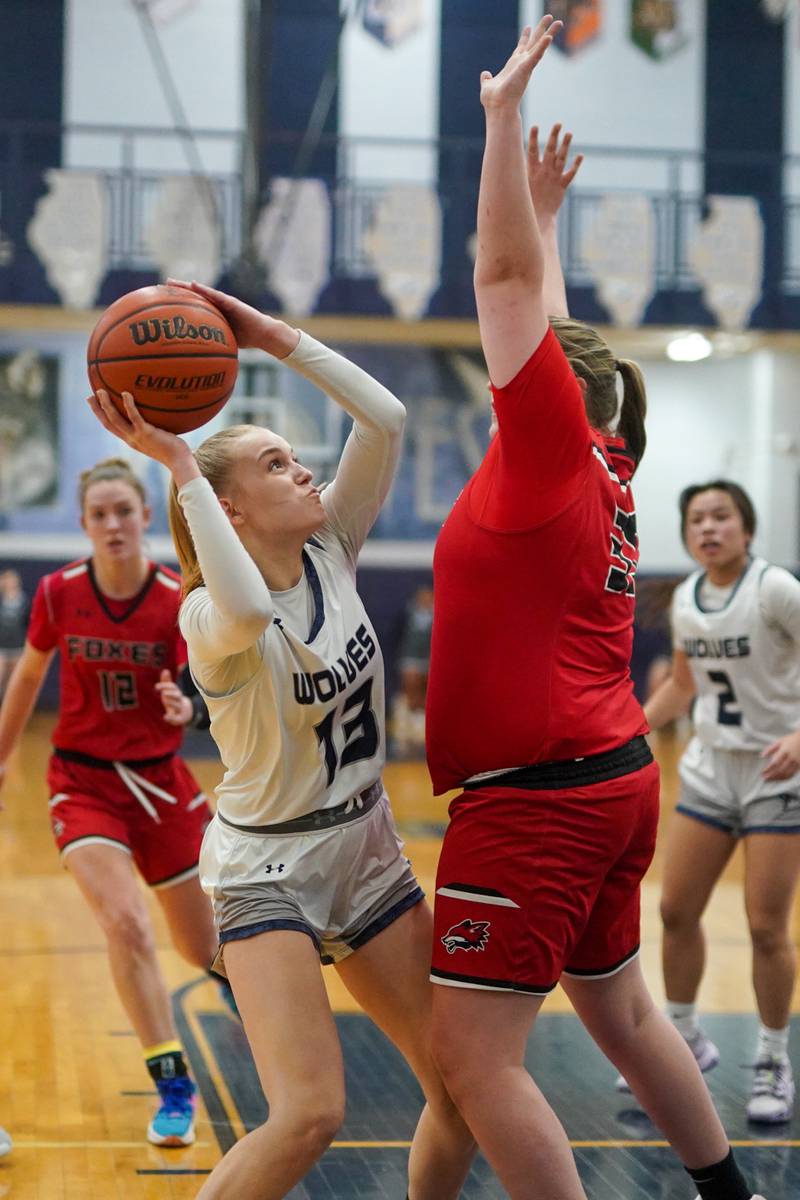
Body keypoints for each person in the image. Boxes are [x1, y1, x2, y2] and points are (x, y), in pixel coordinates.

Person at [423, 19, 764, 1200]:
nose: (511, 364)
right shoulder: (604, 462)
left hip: (539, 798)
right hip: (609, 775)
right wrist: (547, 215)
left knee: (470, 1057)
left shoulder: (549, 456)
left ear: (555, 404)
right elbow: (559, 330)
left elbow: (506, 284)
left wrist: (501, 121)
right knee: (619, 1012)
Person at [86, 280, 475, 1200]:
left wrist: (273, 337)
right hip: (267, 870)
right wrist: (180, 466)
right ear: (231, 507)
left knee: (461, 1089)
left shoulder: (332, 546)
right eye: (276, 464)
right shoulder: (205, 617)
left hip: (368, 846)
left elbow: (383, 416)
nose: (303, 471)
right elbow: (251, 602)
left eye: (296, 457)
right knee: (308, 1115)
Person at [0, 458, 225, 1148]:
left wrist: (187, 704)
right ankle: (174, 1086)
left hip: (161, 784)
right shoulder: (60, 591)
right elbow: (29, 675)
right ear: (83, 524)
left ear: (146, 518)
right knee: (124, 920)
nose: (113, 524)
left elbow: (208, 689)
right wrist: (2, 755)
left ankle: (270, 1022)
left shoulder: (176, 597)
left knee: (202, 947)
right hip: (84, 781)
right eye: (99, 514)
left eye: (124, 510)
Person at [634, 479, 800, 1124]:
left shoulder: (776, 589)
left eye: (721, 517)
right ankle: (682, 1042)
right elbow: (683, 682)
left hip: (774, 774)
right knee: (675, 910)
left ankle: (773, 1060)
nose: (709, 528)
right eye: (697, 519)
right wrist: (632, 731)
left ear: (747, 529)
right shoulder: (687, 601)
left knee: (765, 926)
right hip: (709, 771)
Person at [392, 584, 434, 755]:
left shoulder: (437, 616)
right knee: (409, 694)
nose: (425, 599)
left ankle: (421, 734)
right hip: (410, 659)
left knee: (425, 696)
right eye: (422, 596)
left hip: (428, 659)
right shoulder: (407, 615)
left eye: (428, 597)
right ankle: (403, 736)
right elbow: (397, 637)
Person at [0, 569, 29, 701]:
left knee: (13, 683)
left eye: (12, 579)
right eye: (6, 579)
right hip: (2, 647)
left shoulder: (24, 601)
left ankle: (9, 711)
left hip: (18, 646)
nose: (9, 582)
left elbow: (29, 623)